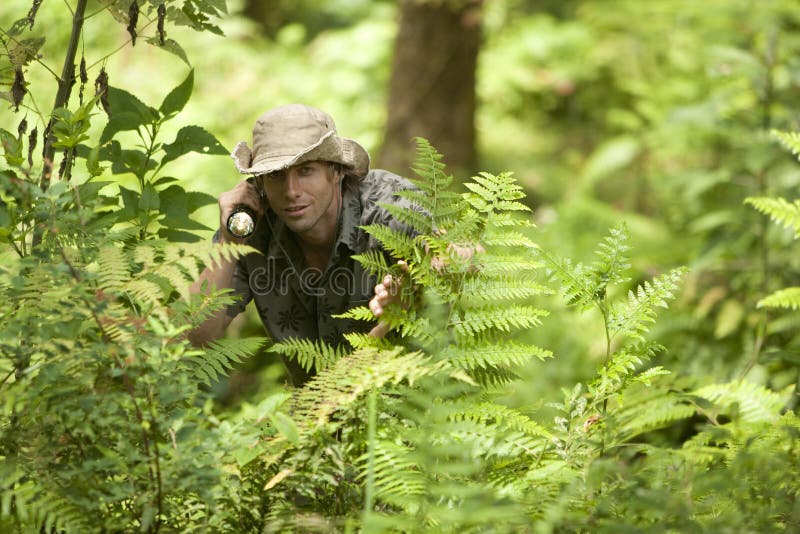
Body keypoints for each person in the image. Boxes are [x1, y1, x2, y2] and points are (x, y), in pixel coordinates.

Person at [188, 104, 414, 386]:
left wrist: (416, 297)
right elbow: (194, 340)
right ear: (259, 183)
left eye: (305, 171)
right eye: (276, 175)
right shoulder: (251, 229)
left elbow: (459, 258)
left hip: (416, 402)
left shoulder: (391, 206)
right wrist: (228, 243)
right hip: (315, 410)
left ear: (336, 172)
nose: (291, 191)